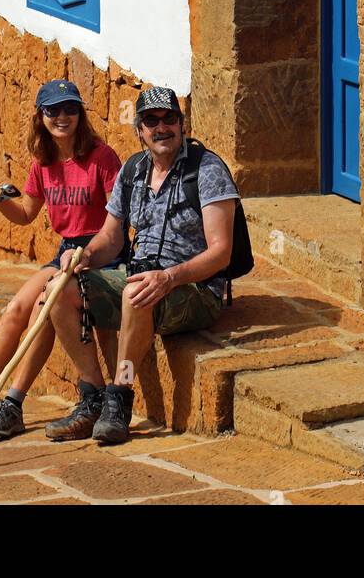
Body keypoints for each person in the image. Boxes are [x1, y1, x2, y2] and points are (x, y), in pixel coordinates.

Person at [44, 85, 239, 446]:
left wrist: (170, 276)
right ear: (139, 130)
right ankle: (93, 397)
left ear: (182, 124)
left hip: (194, 289)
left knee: (136, 290)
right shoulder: (133, 170)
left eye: (169, 119)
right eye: (151, 121)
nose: (161, 128)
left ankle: (120, 396)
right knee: (58, 288)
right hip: (142, 277)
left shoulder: (207, 170)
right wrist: (84, 255)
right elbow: (111, 238)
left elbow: (221, 253)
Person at [0, 78, 124, 444]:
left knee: (43, 305)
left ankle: (12, 403)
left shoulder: (102, 157)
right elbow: (24, 213)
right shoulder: (44, 163)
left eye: (70, 109)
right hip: (65, 251)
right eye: (53, 110)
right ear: (41, 117)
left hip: (101, 253)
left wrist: (90, 253)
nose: (62, 116)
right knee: (15, 308)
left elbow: (119, 218)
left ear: (80, 114)